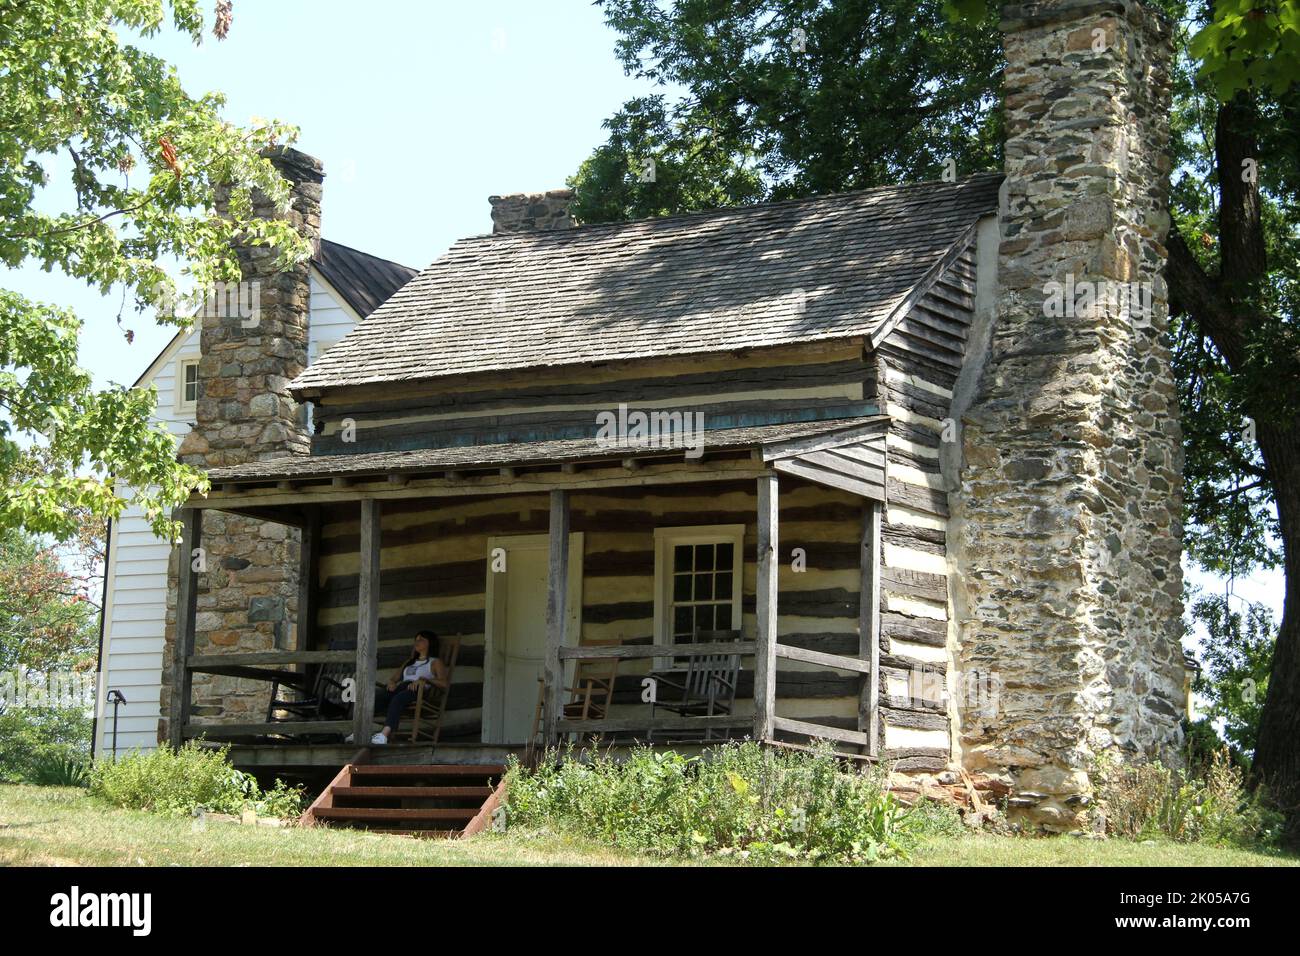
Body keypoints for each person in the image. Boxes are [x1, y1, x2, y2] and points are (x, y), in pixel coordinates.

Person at [370, 630, 449, 745]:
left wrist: (423, 680)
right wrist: (392, 683)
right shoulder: (409, 661)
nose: (417, 642)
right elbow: (394, 678)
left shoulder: (435, 662)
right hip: (402, 687)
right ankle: (362, 731)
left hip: (419, 691)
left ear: (430, 643)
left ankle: (384, 735)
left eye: (421, 640)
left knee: (398, 699)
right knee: (378, 697)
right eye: (416, 640)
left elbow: (444, 683)